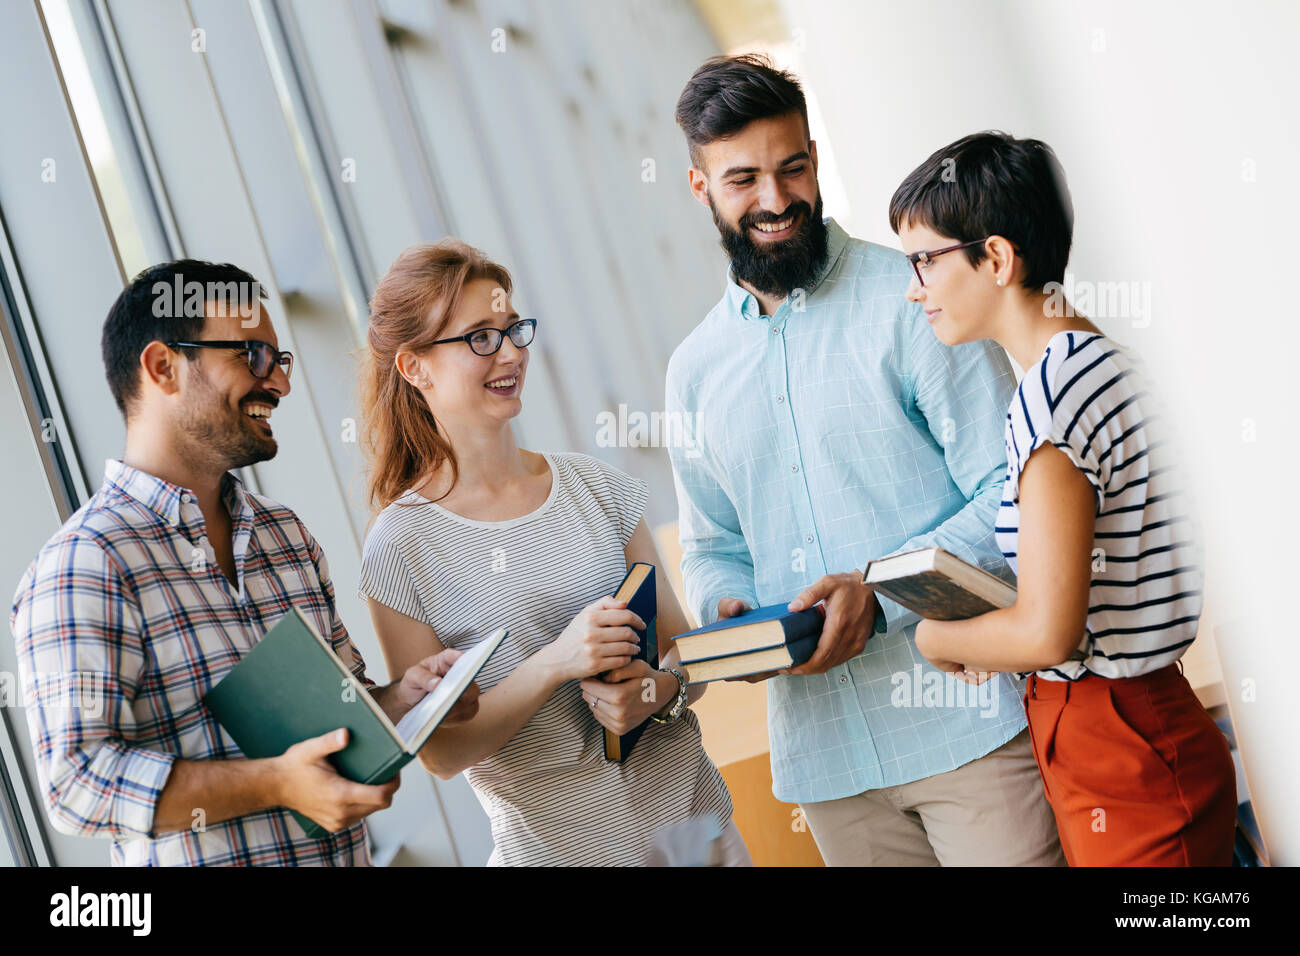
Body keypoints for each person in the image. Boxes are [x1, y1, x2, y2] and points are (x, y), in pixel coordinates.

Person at [667, 54, 1065, 866]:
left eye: (793, 168)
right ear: (700, 188)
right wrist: (728, 611)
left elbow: (1009, 487)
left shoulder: (915, 301)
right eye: (743, 179)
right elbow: (712, 545)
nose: (776, 200)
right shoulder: (693, 370)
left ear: (816, 159)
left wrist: (879, 596)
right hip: (828, 766)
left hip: (970, 729)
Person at [9, 260, 479, 866]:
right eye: (252, 356)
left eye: (280, 361)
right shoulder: (85, 566)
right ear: (162, 368)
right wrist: (276, 783)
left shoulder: (285, 536)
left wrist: (403, 699)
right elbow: (76, 785)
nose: (278, 384)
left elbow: (337, 712)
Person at [892, 131, 1236, 865]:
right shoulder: (1095, 361)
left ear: (996, 258)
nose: (914, 287)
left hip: (1124, 750)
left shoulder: (1052, 401)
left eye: (925, 259)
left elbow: (1047, 633)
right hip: (1132, 735)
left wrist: (936, 638)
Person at [356, 239, 744, 866]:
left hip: (701, 842)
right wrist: (554, 663)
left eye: (513, 330)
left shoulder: (596, 487)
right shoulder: (400, 547)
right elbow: (443, 754)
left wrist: (656, 691)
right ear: (413, 367)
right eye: (479, 337)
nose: (510, 352)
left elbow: (683, 655)